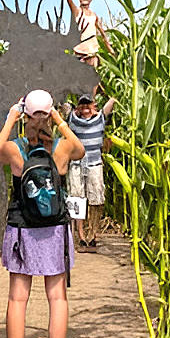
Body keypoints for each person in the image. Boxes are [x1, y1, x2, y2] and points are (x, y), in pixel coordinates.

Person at [0, 89, 85, 338]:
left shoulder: (15, 149)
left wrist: (10, 118)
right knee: (57, 298)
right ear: (51, 114)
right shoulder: (62, 148)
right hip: (54, 229)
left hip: (22, 228)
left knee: (18, 299)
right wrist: (60, 120)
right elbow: (81, 149)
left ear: (26, 114)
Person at [64, 94, 115, 250]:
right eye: (82, 105)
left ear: (95, 106)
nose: (85, 108)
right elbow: (61, 101)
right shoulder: (71, 119)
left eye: (89, 105)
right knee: (77, 200)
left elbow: (112, 101)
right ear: (78, 107)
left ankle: (93, 235)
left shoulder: (100, 118)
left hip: (94, 164)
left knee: (96, 200)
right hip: (76, 165)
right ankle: (80, 236)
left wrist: (112, 96)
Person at [60, 0, 112, 68]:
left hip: (92, 51)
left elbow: (102, 33)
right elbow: (70, 3)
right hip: (80, 51)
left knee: (94, 77)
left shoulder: (94, 15)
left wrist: (109, 47)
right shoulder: (77, 12)